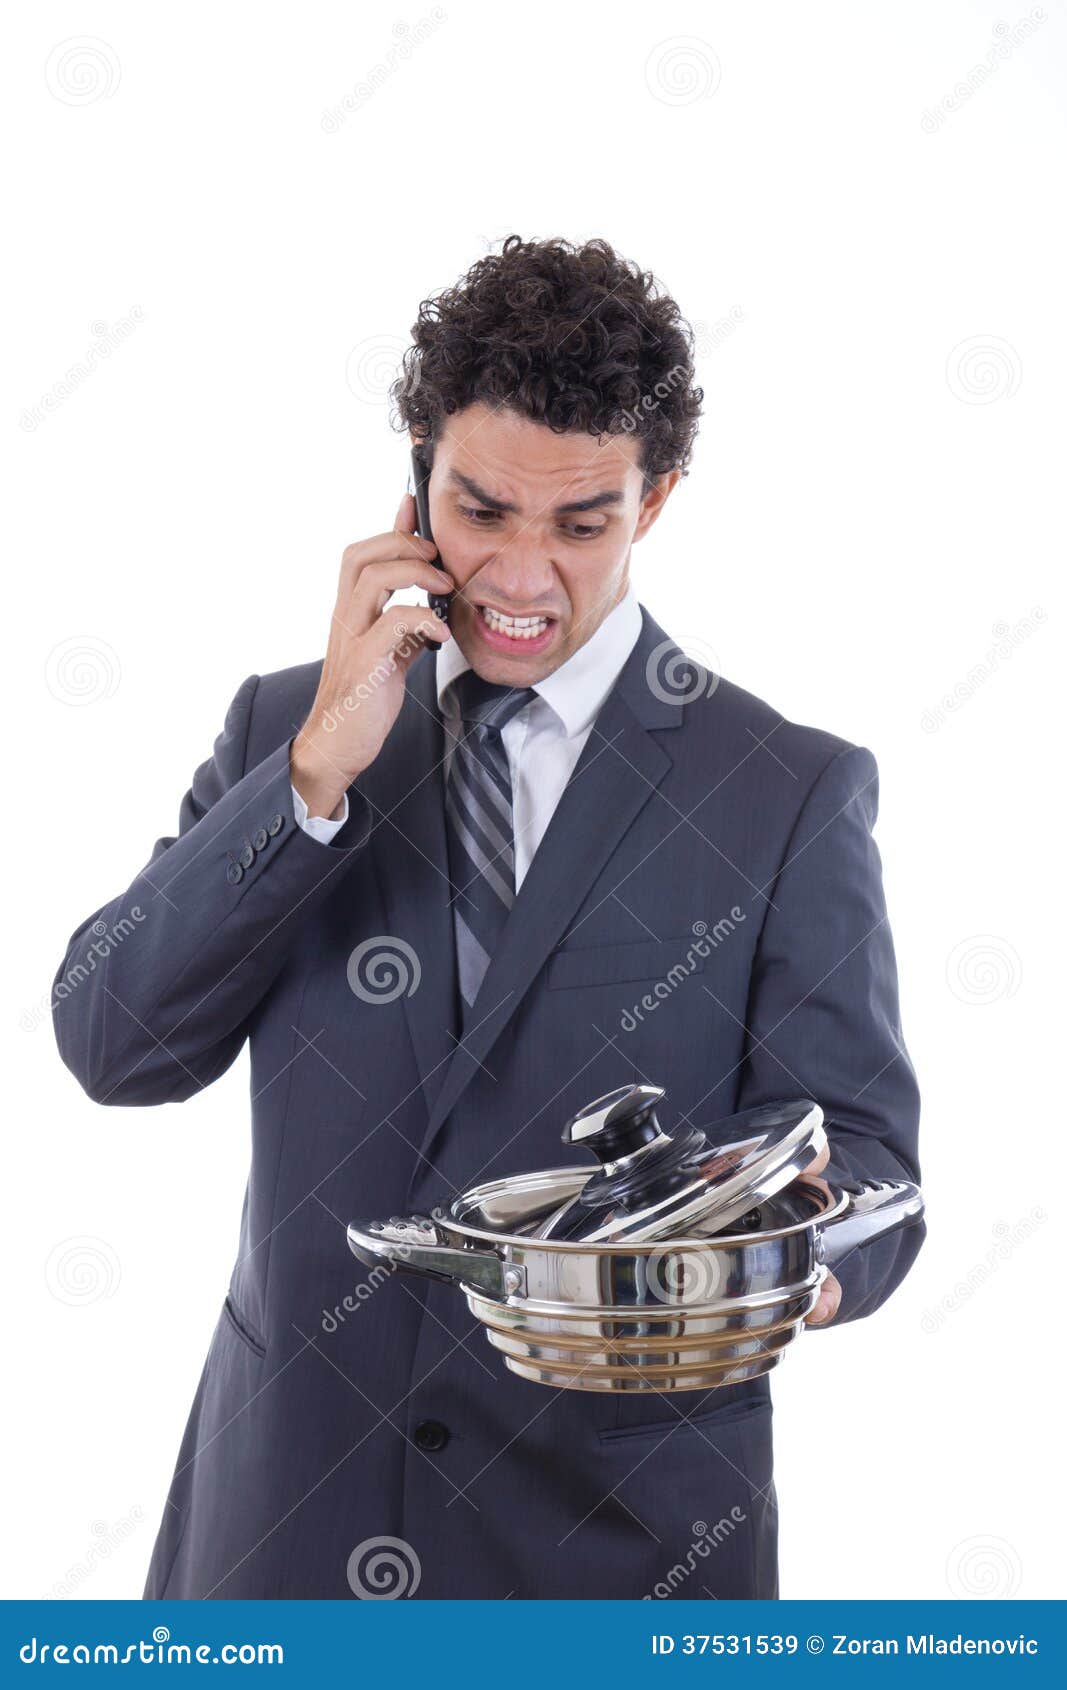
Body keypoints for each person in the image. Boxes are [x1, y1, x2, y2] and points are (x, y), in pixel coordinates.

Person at [52, 235, 923, 1600]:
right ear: (415, 471)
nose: (519, 579)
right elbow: (113, 1042)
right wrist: (311, 782)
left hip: (619, 1550)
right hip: (286, 1533)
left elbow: (867, 1158)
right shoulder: (286, 728)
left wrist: (757, 1268)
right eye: (479, 511)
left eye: (581, 525)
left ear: (658, 500)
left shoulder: (783, 788)